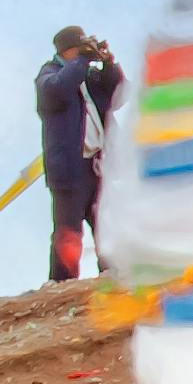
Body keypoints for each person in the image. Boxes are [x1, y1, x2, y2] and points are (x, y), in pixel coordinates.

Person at [35, 24, 125, 281]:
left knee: (105, 223)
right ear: (69, 50)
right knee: (68, 231)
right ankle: (62, 282)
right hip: (68, 166)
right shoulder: (48, 74)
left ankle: (112, 272)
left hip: (95, 165)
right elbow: (58, 89)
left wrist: (108, 64)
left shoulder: (87, 77)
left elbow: (118, 94)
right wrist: (82, 62)